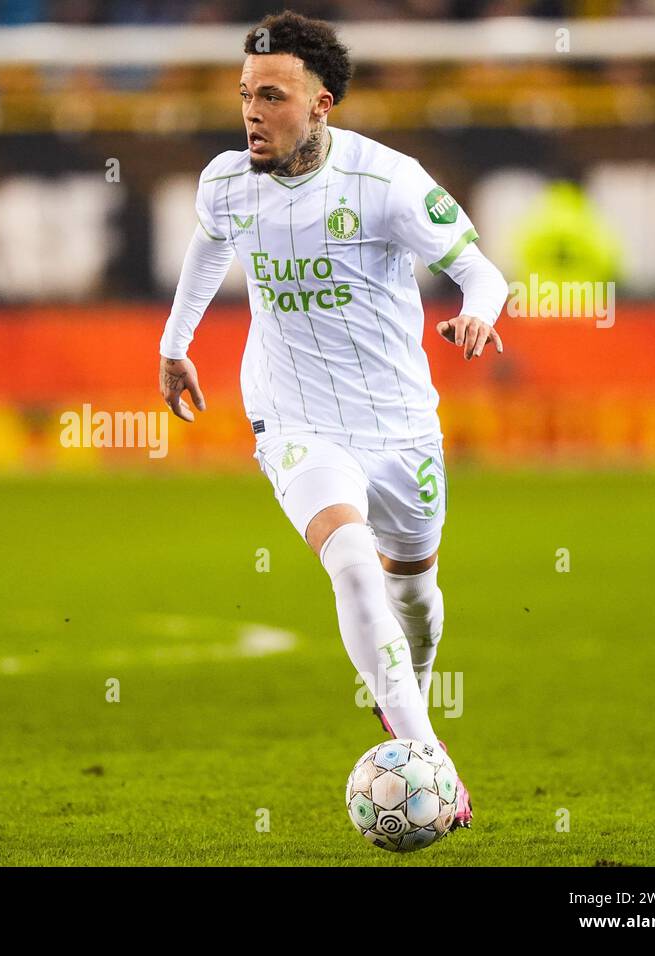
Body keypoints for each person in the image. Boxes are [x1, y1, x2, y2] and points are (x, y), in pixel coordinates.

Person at [158, 11, 510, 831]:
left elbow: (480, 270)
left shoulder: (387, 182)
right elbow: (212, 243)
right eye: (245, 93)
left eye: (271, 96)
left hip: (399, 424)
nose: (252, 111)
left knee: (414, 592)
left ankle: (406, 703)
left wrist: (478, 313)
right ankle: (431, 762)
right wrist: (175, 344)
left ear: (322, 105)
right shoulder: (226, 181)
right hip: (294, 417)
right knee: (351, 559)